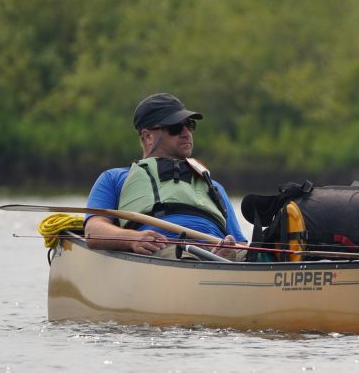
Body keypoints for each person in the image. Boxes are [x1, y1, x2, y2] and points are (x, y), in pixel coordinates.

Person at [84, 93, 247, 258]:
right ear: (148, 136)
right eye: (175, 127)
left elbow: (241, 244)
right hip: (167, 251)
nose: (186, 133)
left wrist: (231, 249)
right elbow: (93, 230)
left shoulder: (214, 187)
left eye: (189, 125)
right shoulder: (114, 178)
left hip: (219, 254)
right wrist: (134, 239)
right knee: (186, 259)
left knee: (257, 257)